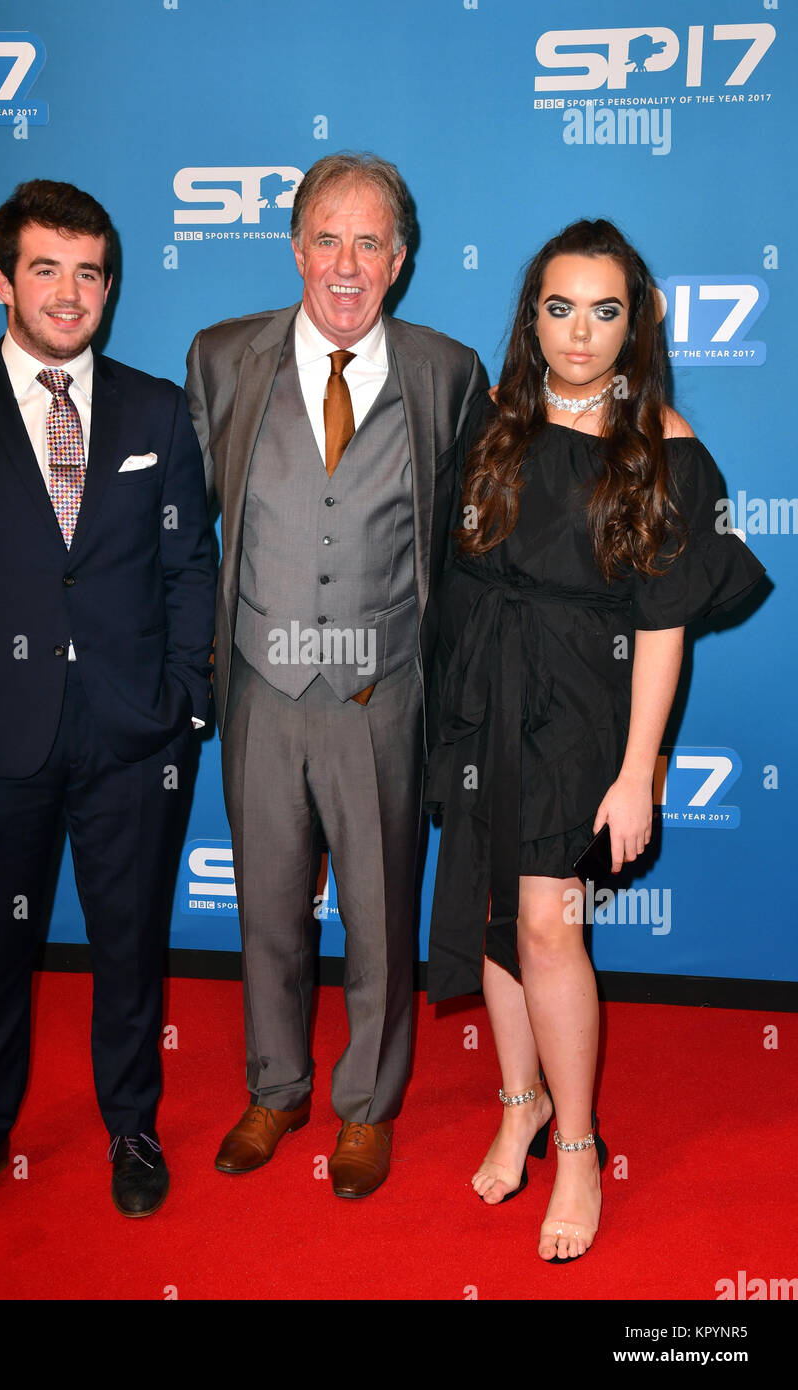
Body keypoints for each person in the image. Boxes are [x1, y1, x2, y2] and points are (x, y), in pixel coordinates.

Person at [0, 179, 216, 1233]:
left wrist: (185, 703)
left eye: (88, 272)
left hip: (133, 738)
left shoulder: (158, 407)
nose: (69, 294)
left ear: (108, 286)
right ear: (1, 283)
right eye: (45, 269)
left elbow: (188, 567)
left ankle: (132, 1124)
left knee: (129, 942)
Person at [425, 219, 763, 1260]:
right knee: (495, 914)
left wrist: (636, 773)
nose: (580, 332)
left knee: (546, 927)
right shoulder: (495, 422)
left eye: (604, 309)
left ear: (637, 320)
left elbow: (664, 626)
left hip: (583, 711)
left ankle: (576, 1145)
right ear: (533, 316)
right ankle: (518, 1100)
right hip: (481, 695)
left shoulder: (662, 446)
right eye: (560, 307)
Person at [185, 152, 483, 1197]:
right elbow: (185, 533)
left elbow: (467, 544)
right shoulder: (223, 359)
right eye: (327, 238)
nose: (345, 264)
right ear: (295, 246)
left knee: (379, 910)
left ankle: (366, 1104)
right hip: (261, 688)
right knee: (267, 907)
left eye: (369, 242)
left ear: (398, 261)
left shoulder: (447, 372)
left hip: (380, 689)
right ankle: (275, 1087)